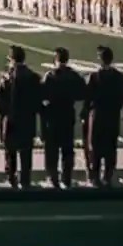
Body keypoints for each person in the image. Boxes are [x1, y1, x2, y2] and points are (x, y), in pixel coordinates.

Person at [0, 46, 43, 189]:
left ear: (11, 59)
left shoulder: (7, 78)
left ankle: (11, 179)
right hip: (27, 119)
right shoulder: (33, 76)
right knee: (26, 152)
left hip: (11, 119)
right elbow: (38, 100)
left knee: (10, 152)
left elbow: (0, 99)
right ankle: (25, 180)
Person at [83, 46, 123, 188]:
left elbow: (87, 98)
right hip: (112, 116)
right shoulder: (119, 77)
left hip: (97, 116)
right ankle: (108, 176)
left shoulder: (94, 77)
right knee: (110, 147)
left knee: (95, 147)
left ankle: (95, 177)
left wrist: (85, 113)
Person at [40, 47, 84, 189]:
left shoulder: (50, 76)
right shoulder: (74, 76)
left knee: (52, 149)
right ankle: (67, 179)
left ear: (56, 59)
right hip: (67, 114)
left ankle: (53, 178)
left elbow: (42, 95)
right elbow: (82, 93)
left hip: (53, 116)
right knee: (67, 149)